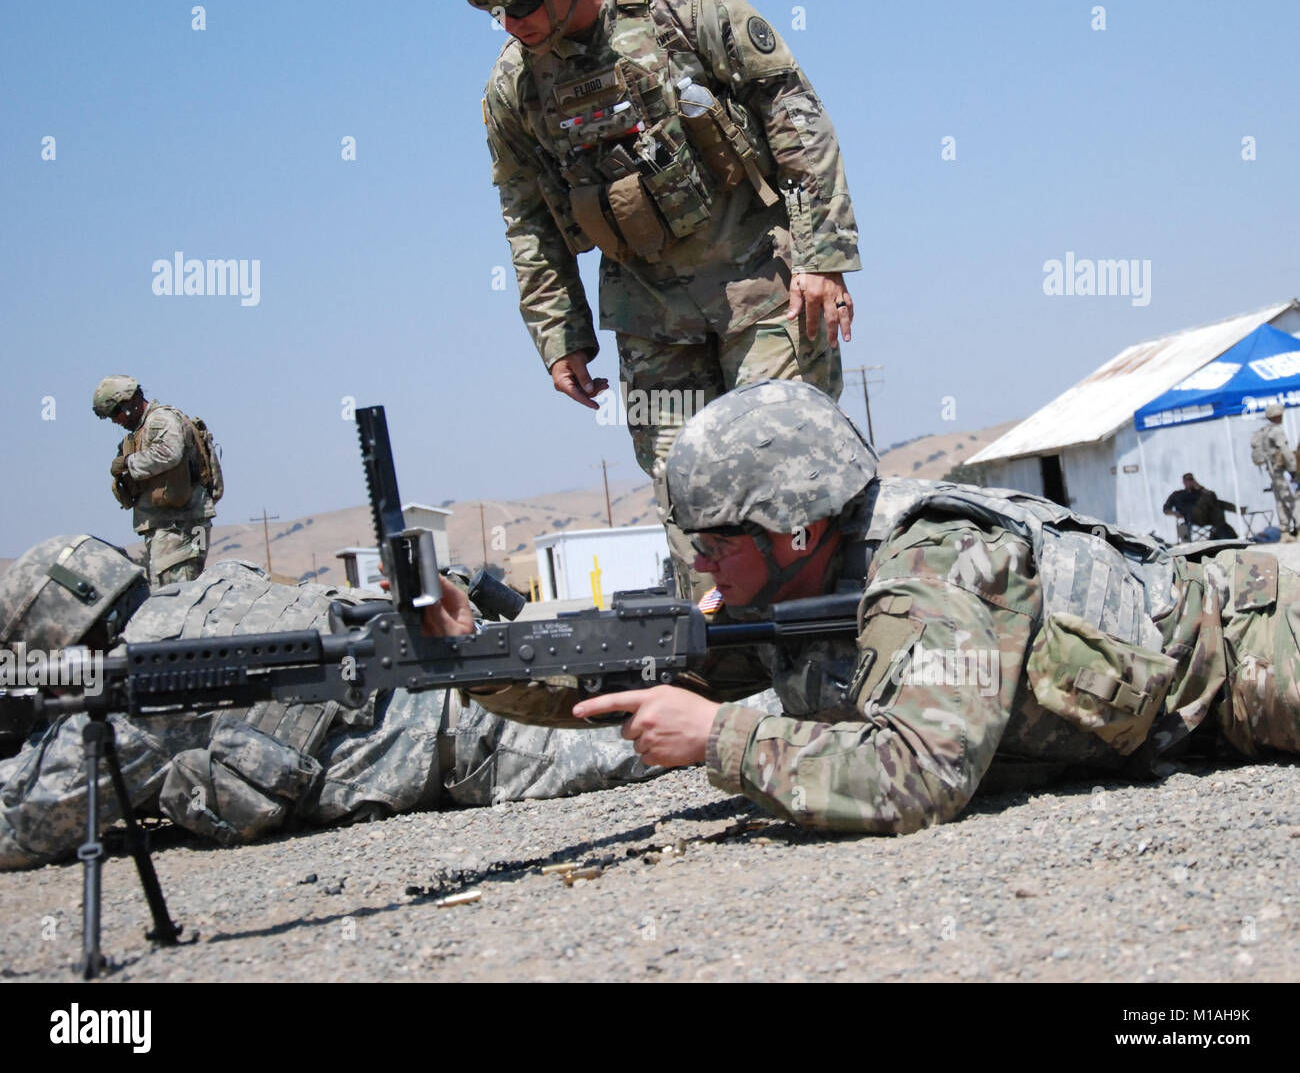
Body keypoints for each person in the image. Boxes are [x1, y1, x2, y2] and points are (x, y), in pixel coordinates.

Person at [448, 380, 1300, 835]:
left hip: (1252, 650)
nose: (696, 561)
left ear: (795, 530)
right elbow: (641, 681)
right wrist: (475, 654)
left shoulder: (932, 565)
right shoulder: (794, 583)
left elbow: (919, 778)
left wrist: (721, 737)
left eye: (714, 540)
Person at [449, 0, 861, 594]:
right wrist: (560, 335)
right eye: (496, 14)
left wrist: (823, 257)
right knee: (687, 496)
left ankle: (834, 644)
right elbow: (526, 217)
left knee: (788, 476)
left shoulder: (682, 4)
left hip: (763, 287)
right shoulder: (514, 91)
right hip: (649, 319)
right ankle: (716, 672)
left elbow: (793, 110)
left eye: (519, 5)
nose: (510, 26)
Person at [0, 536, 656, 870]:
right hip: (473, 693)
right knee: (664, 688)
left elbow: (26, 824)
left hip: (475, 745)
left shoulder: (141, 694)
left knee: (674, 734)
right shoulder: (217, 584)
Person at [91, 376, 218, 587]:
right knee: (170, 592)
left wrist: (129, 462)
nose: (115, 420)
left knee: (177, 597)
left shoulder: (161, 420)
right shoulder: (144, 427)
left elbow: (169, 453)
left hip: (180, 526)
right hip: (170, 525)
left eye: (115, 412)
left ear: (130, 401)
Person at [1251, 402, 1297, 537]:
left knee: (1280, 500)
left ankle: (1285, 531)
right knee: (1292, 499)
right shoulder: (1276, 431)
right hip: (1280, 471)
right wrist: (1293, 469)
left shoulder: (1265, 431)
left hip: (1272, 471)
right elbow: (1285, 451)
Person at [1161, 472, 1236, 541]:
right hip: (1190, 517)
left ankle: (1222, 533)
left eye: (1191, 479)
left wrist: (1200, 488)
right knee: (1213, 501)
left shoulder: (1199, 492)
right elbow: (1166, 508)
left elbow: (1213, 497)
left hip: (1205, 516)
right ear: (1184, 482)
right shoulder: (1177, 494)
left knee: (1218, 503)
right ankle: (1236, 513)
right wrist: (1174, 513)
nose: (1190, 482)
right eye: (1188, 480)